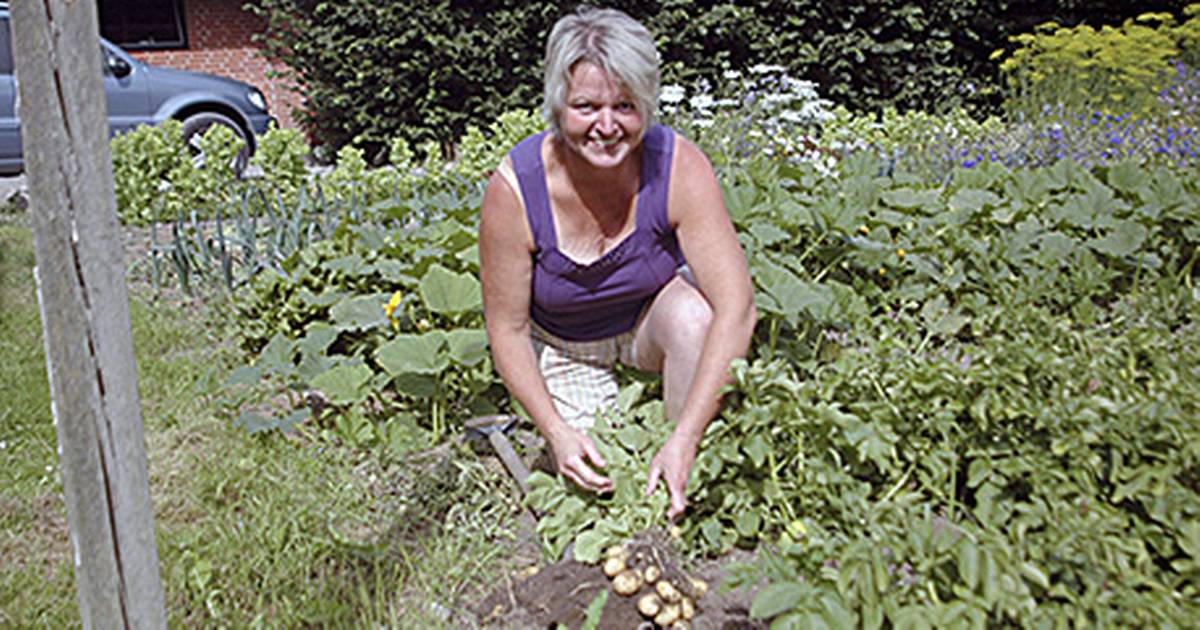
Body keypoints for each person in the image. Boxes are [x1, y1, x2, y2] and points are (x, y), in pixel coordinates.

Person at [479, 6, 756, 521]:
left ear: (645, 105)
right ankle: (614, 449)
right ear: (559, 104)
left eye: (625, 106)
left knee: (696, 317)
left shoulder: (677, 166)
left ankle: (681, 467)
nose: (606, 127)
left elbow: (737, 307)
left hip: (647, 319)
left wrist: (686, 436)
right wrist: (556, 432)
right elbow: (508, 330)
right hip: (565, 344)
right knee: (604, 479)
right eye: (586, 106)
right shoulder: (516, 189)